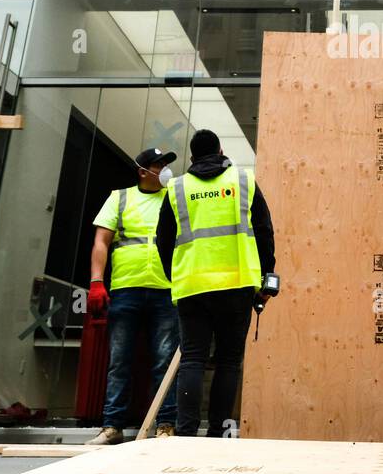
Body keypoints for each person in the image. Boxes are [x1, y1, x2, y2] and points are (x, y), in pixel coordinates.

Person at [158, 129, 275, 438]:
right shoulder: (243, 181)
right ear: (222, 151)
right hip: (236, 285)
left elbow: (163, 240)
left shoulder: (177, 188)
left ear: (193, 158)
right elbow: (264, 231)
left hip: (193, 287)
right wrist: (266, 276)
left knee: (193, 358)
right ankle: (217, 434)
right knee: (228, 361)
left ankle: (185, 433)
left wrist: (175, 275)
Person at [85, 147, 181, 445]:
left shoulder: (175, 198)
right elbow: (101, 241)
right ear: (143, 171)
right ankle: (112, 426)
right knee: (120, 361)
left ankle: (166, 425)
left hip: (166, 288)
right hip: (126, 289)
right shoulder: (120, 197)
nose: (165, 169)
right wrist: (96, 282)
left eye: (166, 164)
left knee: (165, 362)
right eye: (159, 164)